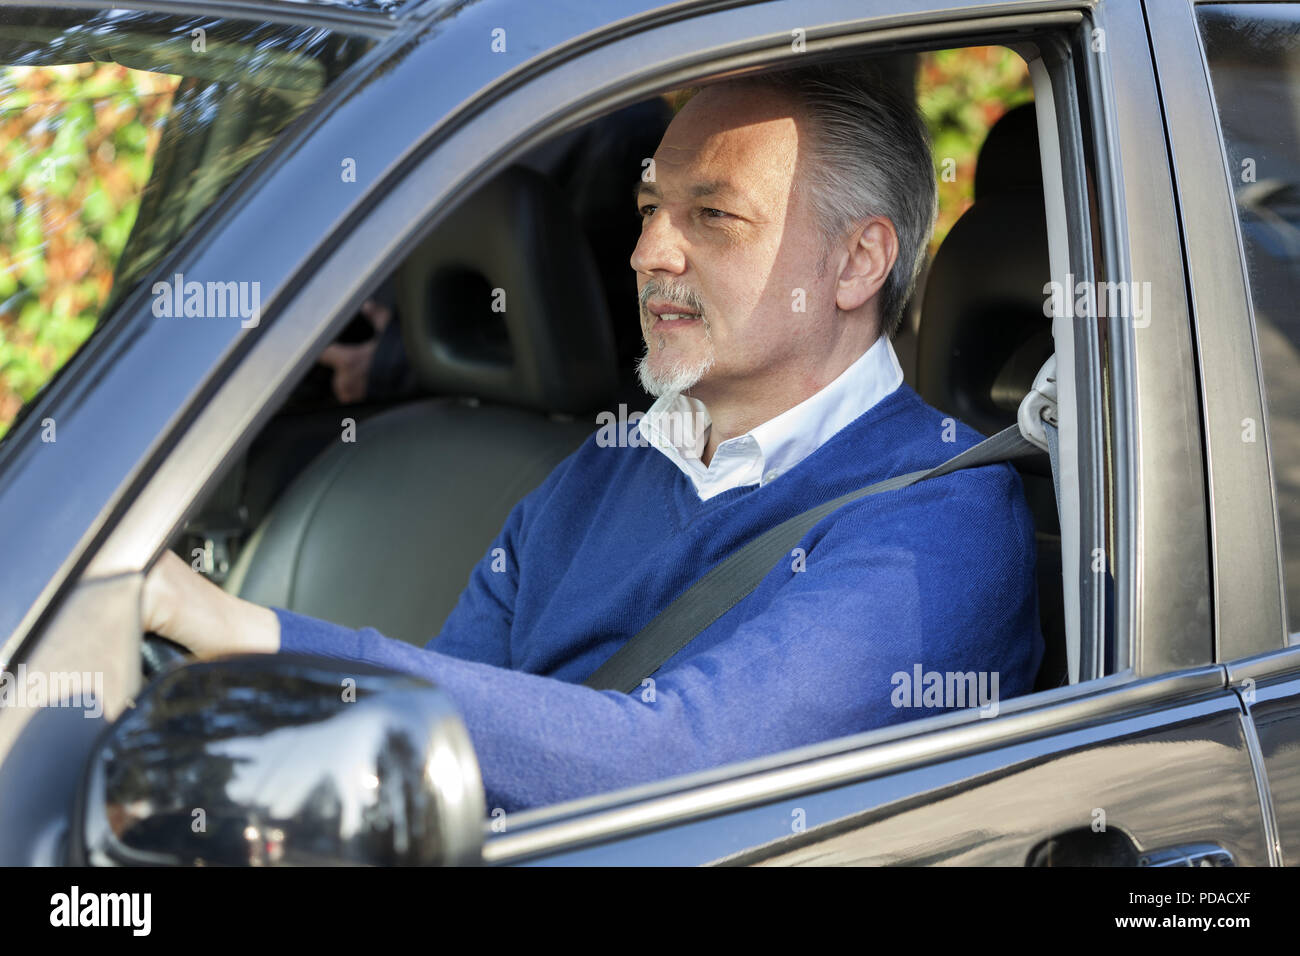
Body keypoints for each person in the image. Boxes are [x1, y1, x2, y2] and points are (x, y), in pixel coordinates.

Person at [143, 62, 1044, 814]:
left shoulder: (943, 523)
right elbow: (425, 732)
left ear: (856, 262)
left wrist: (242, 633)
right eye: (652, 207)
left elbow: (679, 768)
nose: (649, 249)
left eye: (713, 216)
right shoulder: (606, 464)